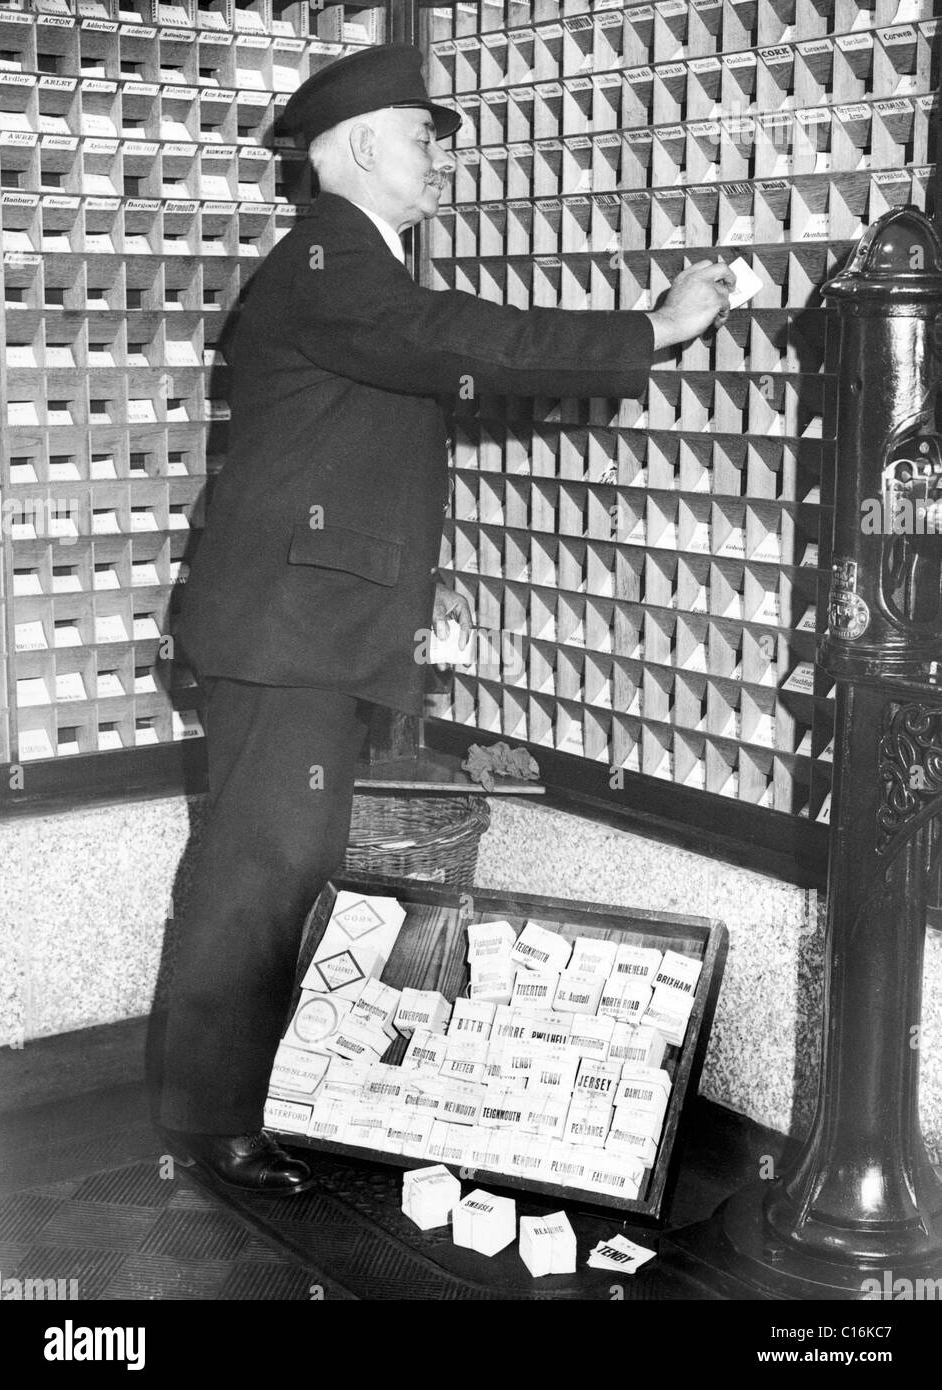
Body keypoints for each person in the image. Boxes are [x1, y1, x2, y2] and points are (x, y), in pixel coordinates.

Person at [156, 43, 733, 1193]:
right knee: (260, 871)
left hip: (299, 627)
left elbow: (416, 383)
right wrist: (648, 330)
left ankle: (216, 1108)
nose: (439, 162)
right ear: (363, 145)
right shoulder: (332, 257)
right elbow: (463, 339)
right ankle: (210, 1126)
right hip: (286, 634)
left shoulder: (339, 266)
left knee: (271, 863)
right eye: (424, 137)